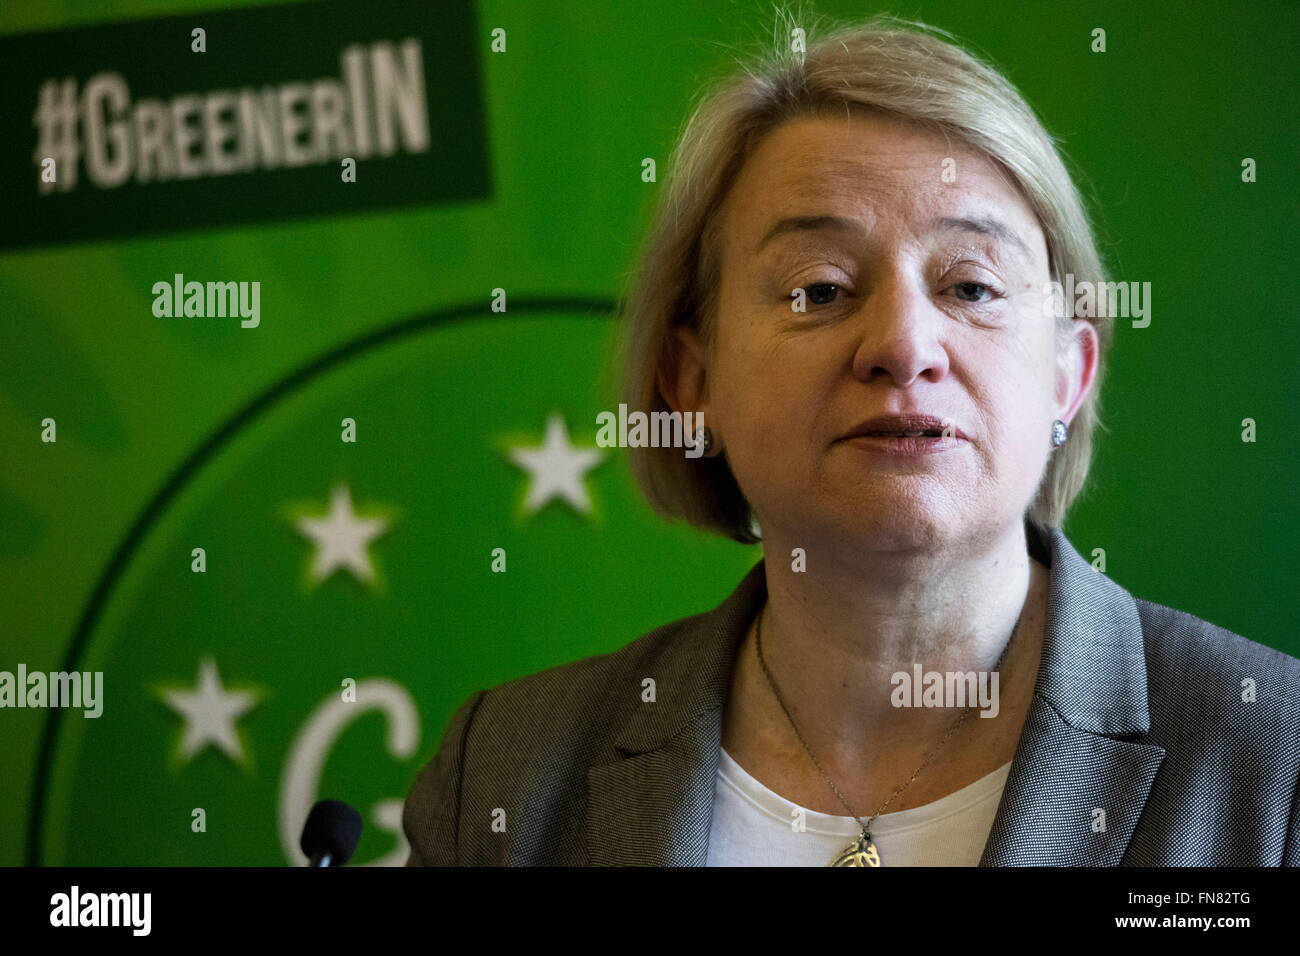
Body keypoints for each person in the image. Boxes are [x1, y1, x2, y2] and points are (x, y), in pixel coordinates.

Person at [402, 15, 1300, 866]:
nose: (905, 345)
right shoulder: (508, 779)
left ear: (1069, 373)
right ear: (691, 382)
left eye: (972, 286)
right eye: (819, 289)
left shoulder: (1276, 763)